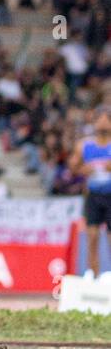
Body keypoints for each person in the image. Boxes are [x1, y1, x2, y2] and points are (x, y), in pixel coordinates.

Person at [70, 106, 111, 276]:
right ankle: (94, 278)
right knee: (92, 237)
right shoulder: (84, 145)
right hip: (93, 196)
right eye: (99, 118)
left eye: (106, 118)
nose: (102, 122)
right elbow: (73, 167)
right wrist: (83, 170)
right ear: (94, 122)